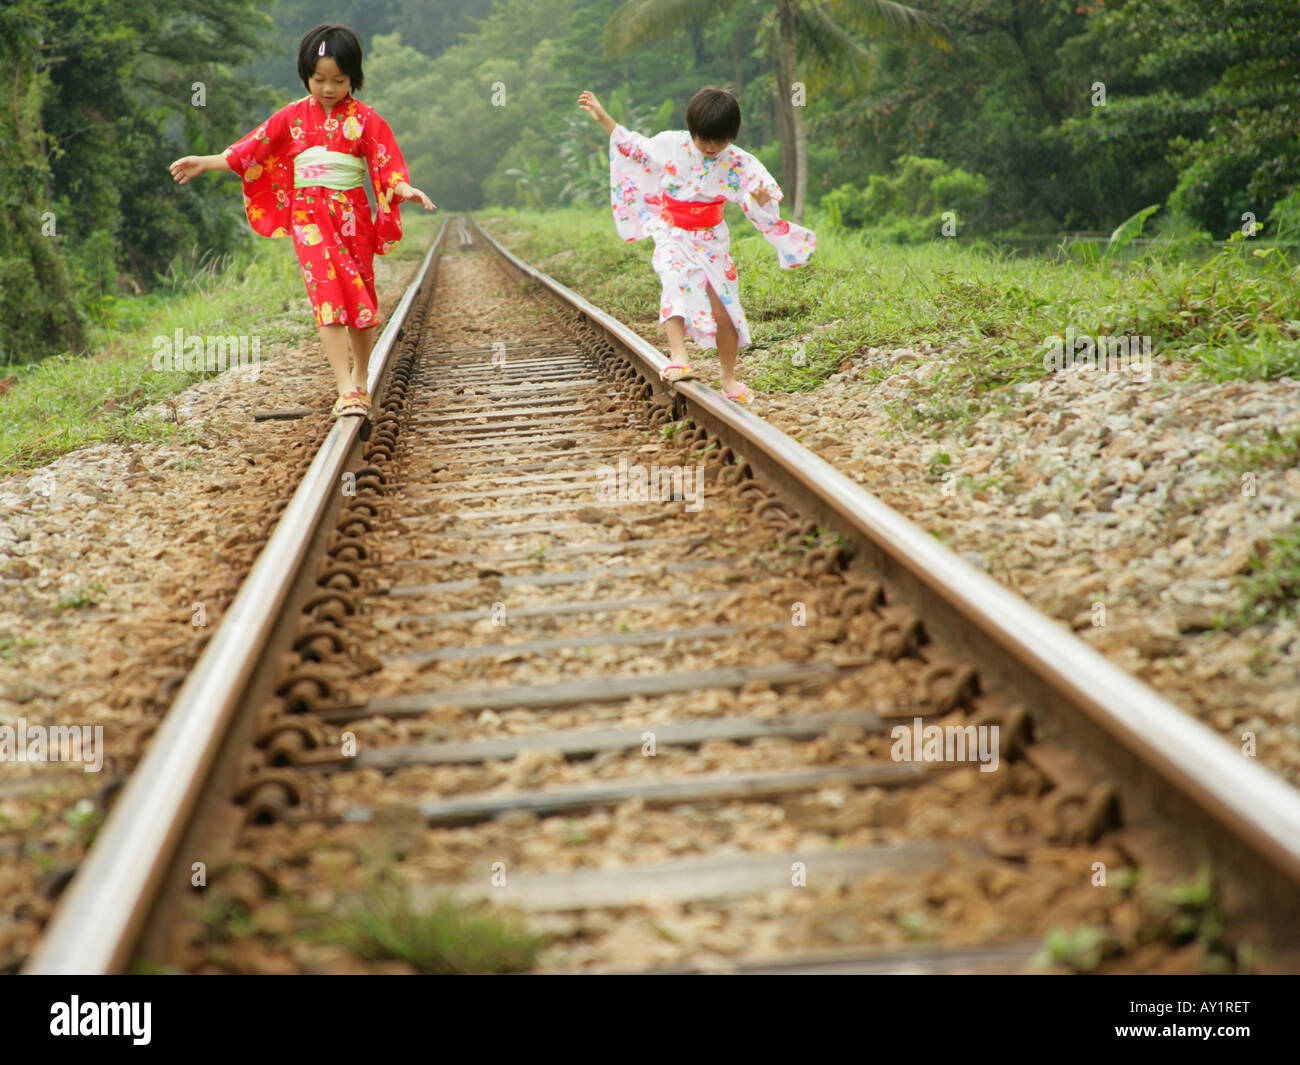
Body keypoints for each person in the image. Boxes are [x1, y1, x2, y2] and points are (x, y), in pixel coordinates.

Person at [169, 24, 436, 417]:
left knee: (360, 295)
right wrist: (204, 163)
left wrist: (404, 190)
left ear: (353, 78)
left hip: (352, 217)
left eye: (339, 80)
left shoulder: (366, 120)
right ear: (306, 76)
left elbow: (386, 166)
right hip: (308, 218)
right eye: (319, 79)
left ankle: (361, 377)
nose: (328, 88)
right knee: (327, 297)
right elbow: (250, 150)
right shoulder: (291, 117)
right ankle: (344, 387)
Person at [578, 86, 815, 403]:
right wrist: (604, 117)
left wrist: (759, 198)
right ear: (692, 130)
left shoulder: (738, 161)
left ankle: (729, 379)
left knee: (725, 311)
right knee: (674, 280)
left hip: (712, 240)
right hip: (673, 233)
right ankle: (679, 357)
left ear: (731, 136)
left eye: (721, 140)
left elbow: (759, 191)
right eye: (705, 140)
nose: (712, 147)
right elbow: (634, 147)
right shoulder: (671, 144)